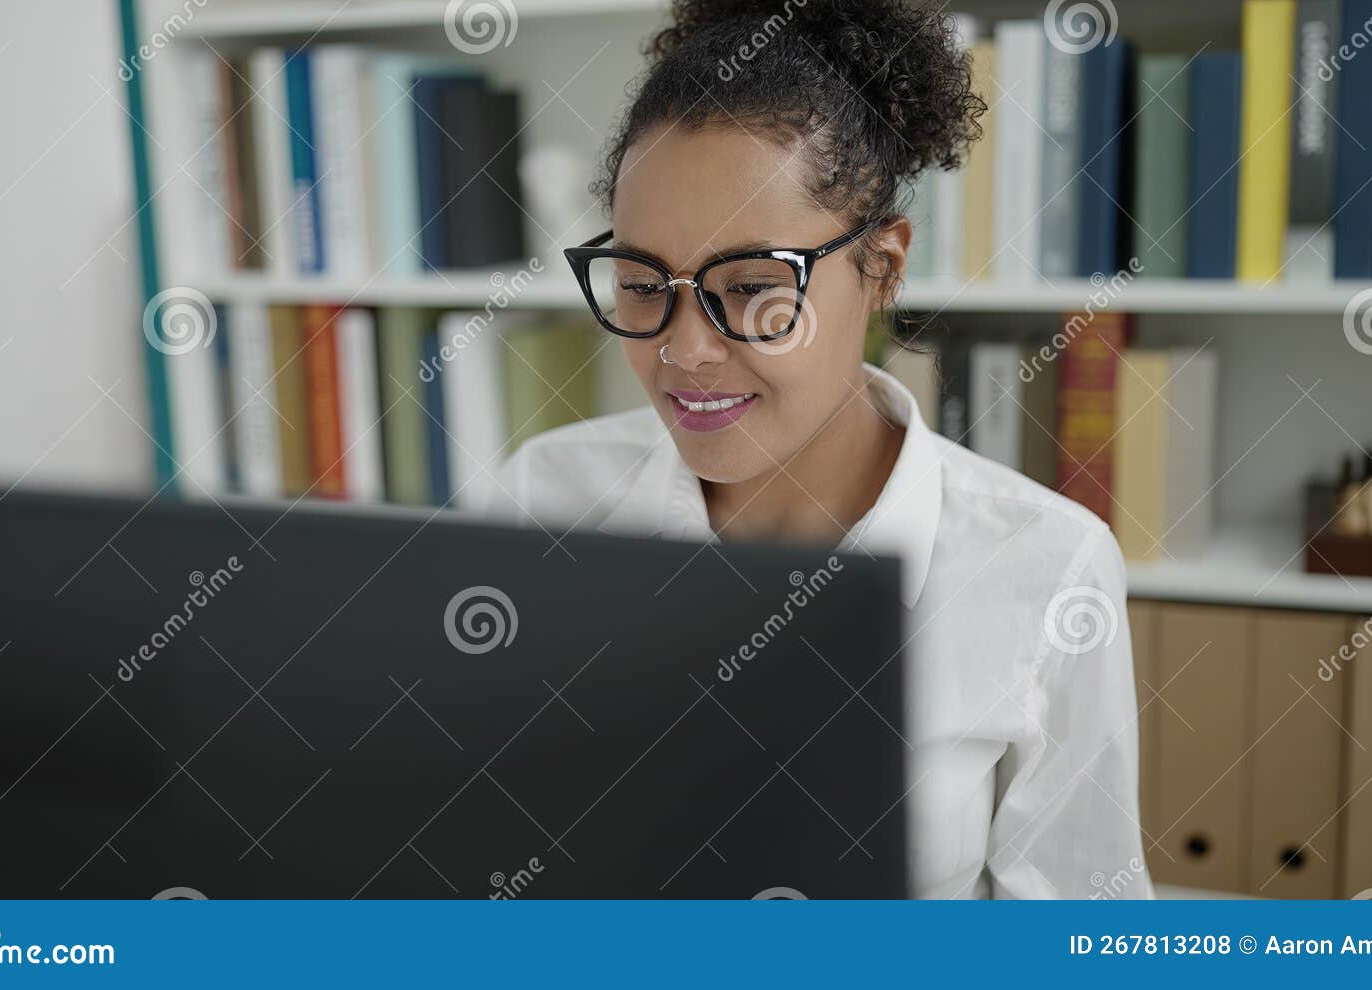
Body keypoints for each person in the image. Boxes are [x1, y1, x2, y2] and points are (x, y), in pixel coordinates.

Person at [487, 0, 1151, 899]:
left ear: (881, 265)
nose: (684, 350)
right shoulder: (540, 502)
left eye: (755, 287)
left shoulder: (1046, 565)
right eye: (644, 285)